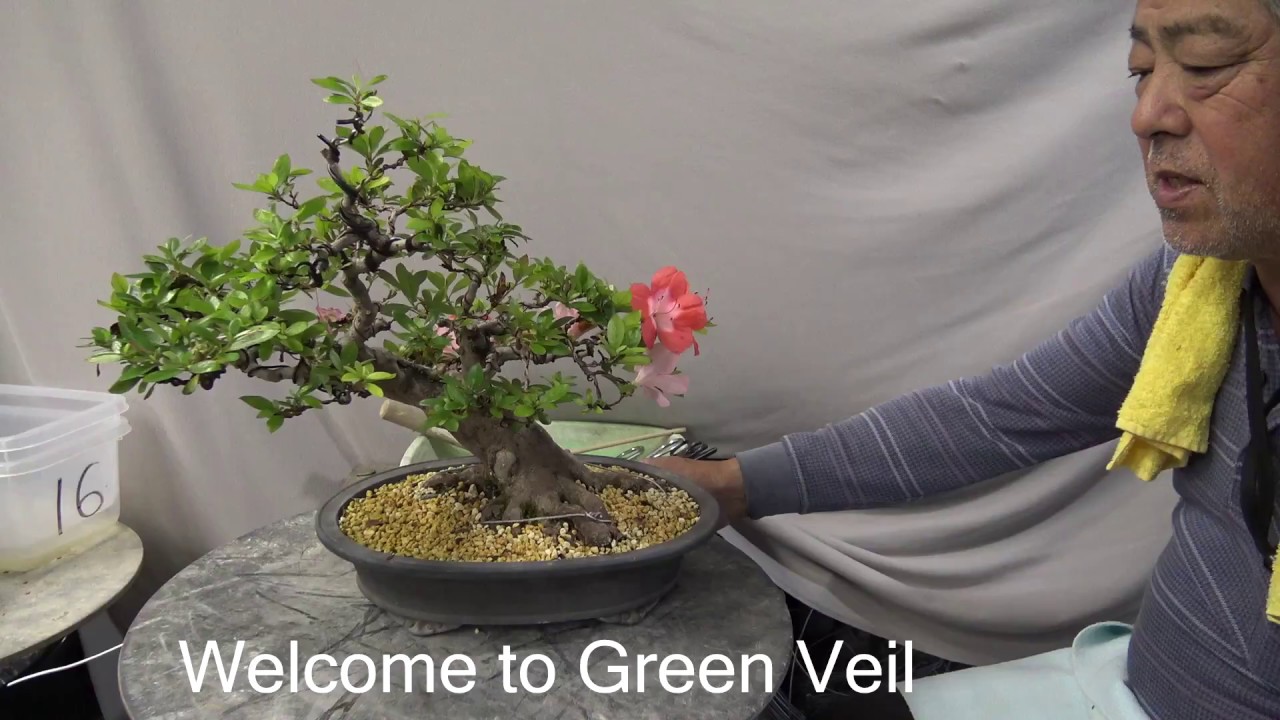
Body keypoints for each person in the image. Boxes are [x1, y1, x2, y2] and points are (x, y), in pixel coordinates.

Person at [649, 1, 1280, 718]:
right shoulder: (1195, 289)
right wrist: (732, 485)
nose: (1149, 116)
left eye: (1205, 66)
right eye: (1141, 70)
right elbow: (996, 416)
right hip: (1125, 684)